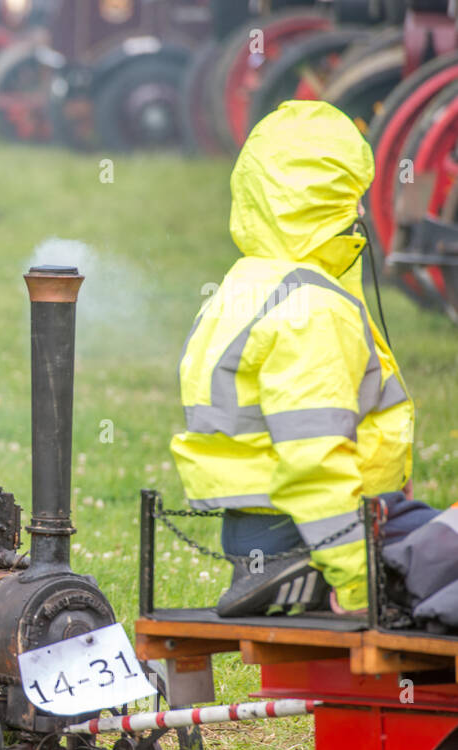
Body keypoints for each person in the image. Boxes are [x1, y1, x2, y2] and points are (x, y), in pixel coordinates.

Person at [171, 99, 436, 617]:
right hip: (314, 539)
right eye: (351, 197)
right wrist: (361, 585)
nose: (361, 212)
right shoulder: (311, 309)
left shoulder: (241, 288)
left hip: (252, 534)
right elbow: (313, 464)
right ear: (325, 204)